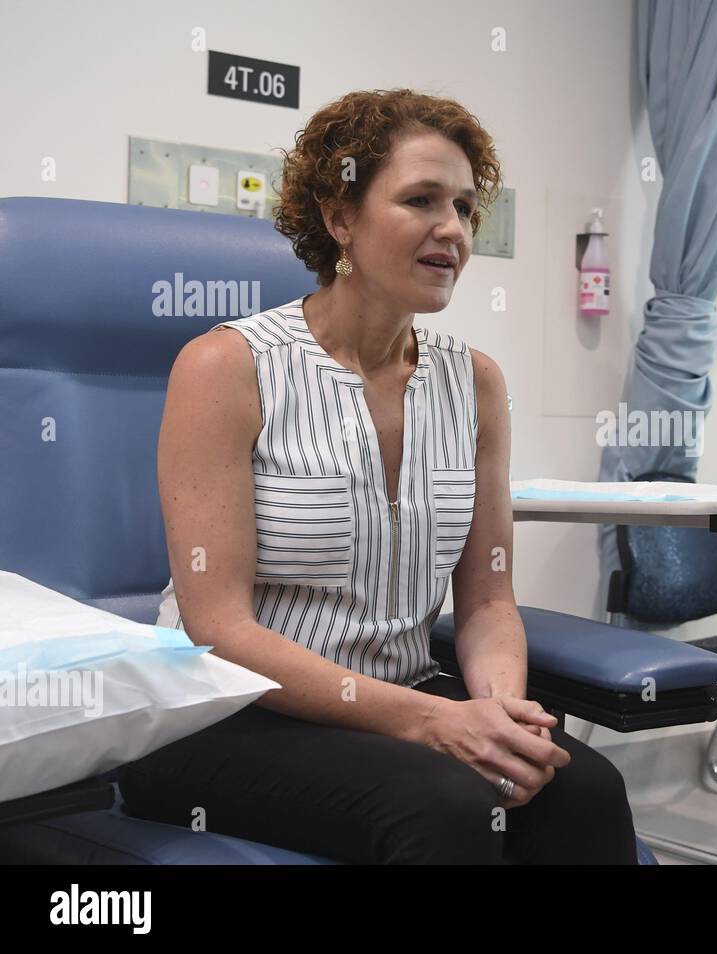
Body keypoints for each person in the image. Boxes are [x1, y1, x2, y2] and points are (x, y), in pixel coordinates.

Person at [118, 89, 638, 864]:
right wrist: (432, 722)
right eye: (420, 200)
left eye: (464, 207)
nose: (452, 230)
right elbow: (218, 626)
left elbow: (489, 597)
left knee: (583, 789)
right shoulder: (228, 367)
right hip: (227, 710)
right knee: (447, 807)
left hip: (406, 693)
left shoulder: (476, 384)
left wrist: (499, 717)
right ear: (340, 218)